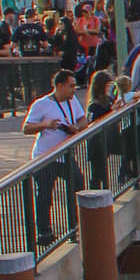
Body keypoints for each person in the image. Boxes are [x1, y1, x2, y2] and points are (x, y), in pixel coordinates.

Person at [22, 66, 86, 234]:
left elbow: (83, 120)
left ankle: (75, 223)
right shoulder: (41, 104)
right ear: (60, 85)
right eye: (71, 85)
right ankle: (44, 231)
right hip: (45, 157)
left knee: (78, 184)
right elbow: (26, 128)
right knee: (44, 195)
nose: (74, 89)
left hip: (65, 154)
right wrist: (46, 125)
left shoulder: (73, 101)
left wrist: (76, 128)